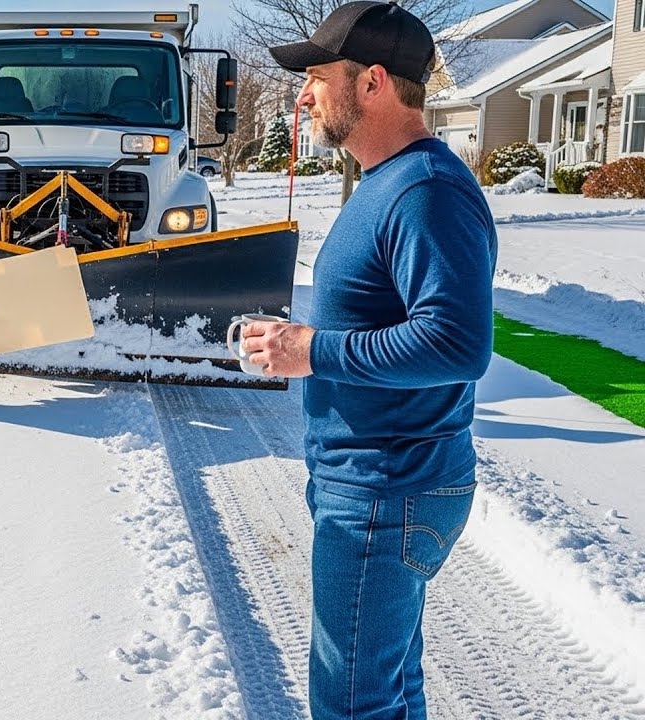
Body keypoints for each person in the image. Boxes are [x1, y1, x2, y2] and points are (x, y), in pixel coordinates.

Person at [242, 2, 498, 717]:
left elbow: (457, 343)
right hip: (375, 483)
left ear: (374, 82)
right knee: (387, 691)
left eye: (318, 78)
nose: (304, 95)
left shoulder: (425, 191)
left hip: (389, 490)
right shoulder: (387, 180)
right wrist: (306, 340)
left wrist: (313, 349)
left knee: (354, 705)